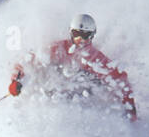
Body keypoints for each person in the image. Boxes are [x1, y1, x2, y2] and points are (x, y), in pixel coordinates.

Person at [8, 13, 137, 120]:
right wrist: (16, 81)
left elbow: (119, 79)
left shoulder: (96, 58)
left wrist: (129, 107)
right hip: (53, 93)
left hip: (81, 100)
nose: (80, 39)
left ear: (92, 36)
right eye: (76, 34)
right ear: (70, 33)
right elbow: (28, 60)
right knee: (46, 69)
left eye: (85, 35)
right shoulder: (58, 48)